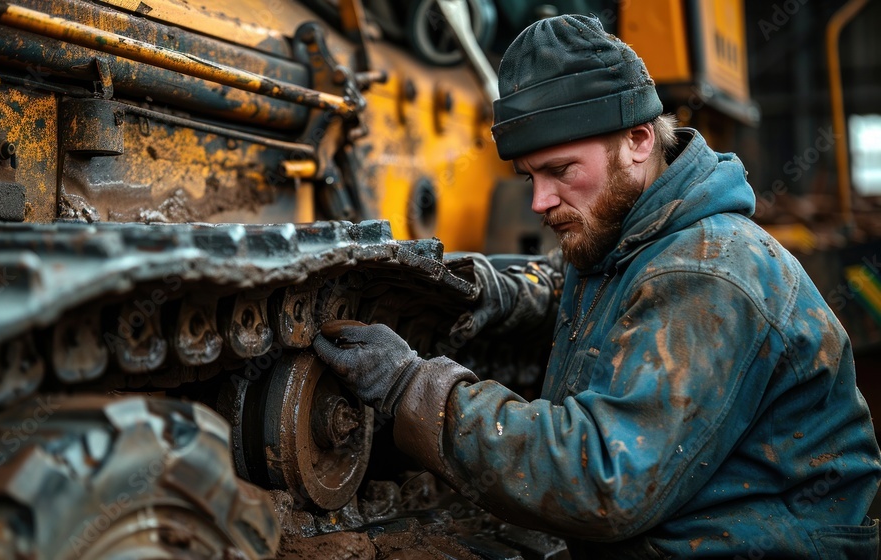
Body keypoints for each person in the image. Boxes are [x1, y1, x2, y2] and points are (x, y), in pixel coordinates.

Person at [313, 14, 881, 558]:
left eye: (560, 171)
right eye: (529, 176)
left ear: (637, 139)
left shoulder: (705, 274)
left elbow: (604, 480)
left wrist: (412, 388)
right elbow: (590, 297)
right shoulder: (638, 237)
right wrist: (492, 291)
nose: (539, 201)